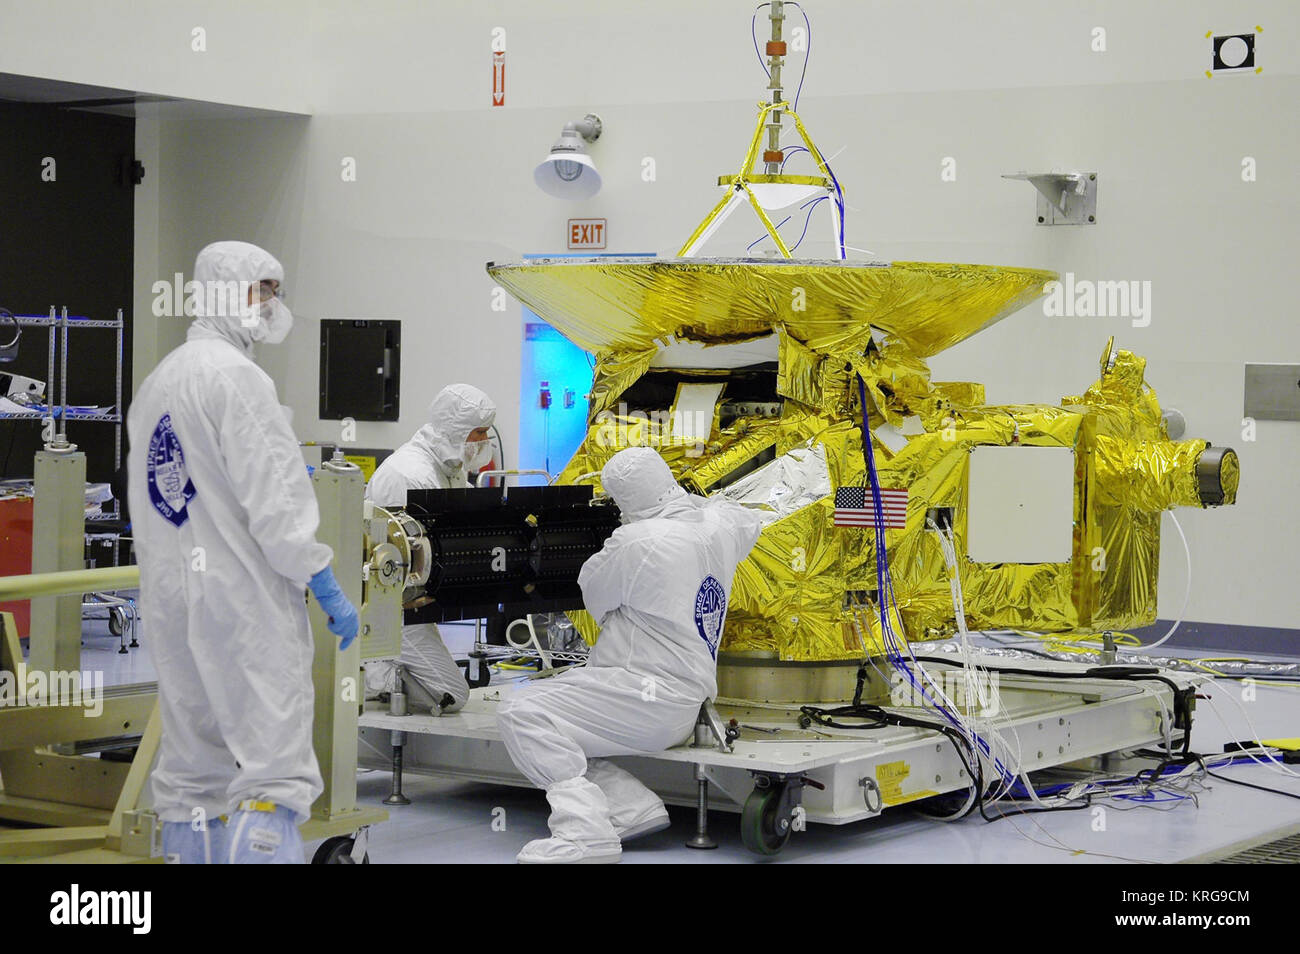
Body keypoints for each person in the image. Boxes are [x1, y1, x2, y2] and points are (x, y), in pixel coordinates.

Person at [127, 241, 359, 864]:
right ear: (227, 289)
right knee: (272, 762)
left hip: (172, 597)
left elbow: (150, 497)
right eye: (262, 290)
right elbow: (278, 503)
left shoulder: (158, 381)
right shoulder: (238, 378)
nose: (272, 305)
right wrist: (321, 577)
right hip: (243, 599)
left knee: (191, 763)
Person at [497, 446, 764, 863]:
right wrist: (694, 500)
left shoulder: (636, 541)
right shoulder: (718, 527)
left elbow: (594, 595)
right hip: (687, 702)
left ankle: (585, 834)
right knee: (566, 724)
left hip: (641, 695)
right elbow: (745, 519)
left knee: (523, 711)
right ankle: (628, 808)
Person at [364, 384, 497, 713]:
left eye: (486, 433)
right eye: (478, 432)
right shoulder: (408, 474)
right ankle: (375, 671)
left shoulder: (448, 468)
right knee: (452, 696)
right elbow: (389, 557)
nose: (484, 441)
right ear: (456, 430)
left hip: (419, 604)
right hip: (393, 611)